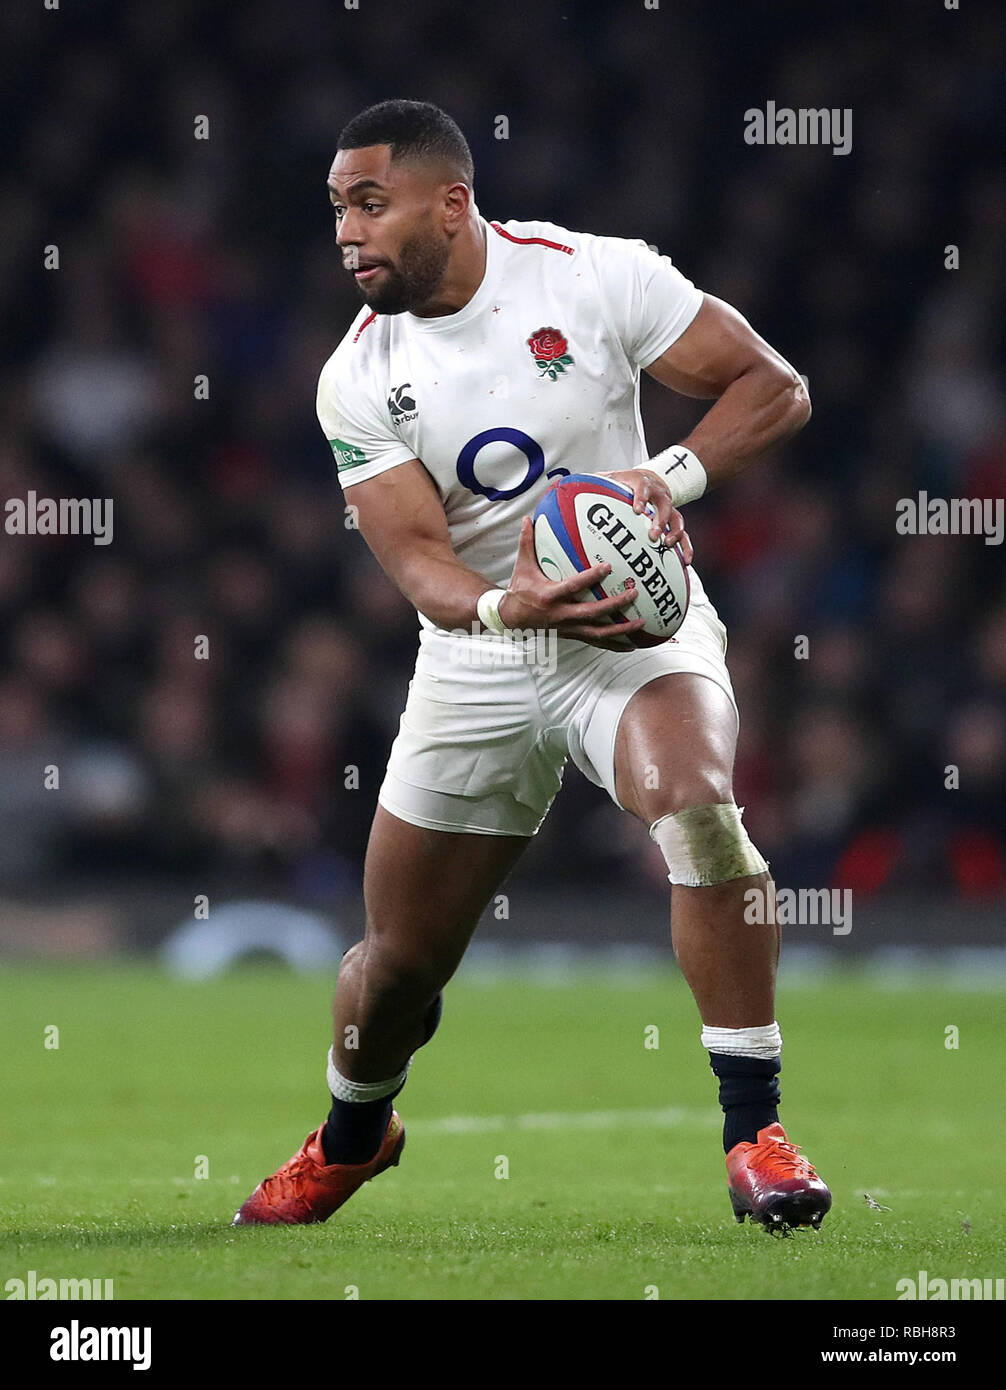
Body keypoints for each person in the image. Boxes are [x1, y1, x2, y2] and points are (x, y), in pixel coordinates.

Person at [233, 100, 830, 1234]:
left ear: (450, 203)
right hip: (481, 654)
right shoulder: (357, 378)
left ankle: (754, 1132)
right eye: (335, 211)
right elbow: (419, 568)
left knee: (700, 813)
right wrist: (510, 600)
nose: (346, 232)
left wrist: (671, 477)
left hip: (631, 629)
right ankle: (356, 1135)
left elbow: (773, 386)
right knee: (398, 967)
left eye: (369, 204)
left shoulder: (594, 277)